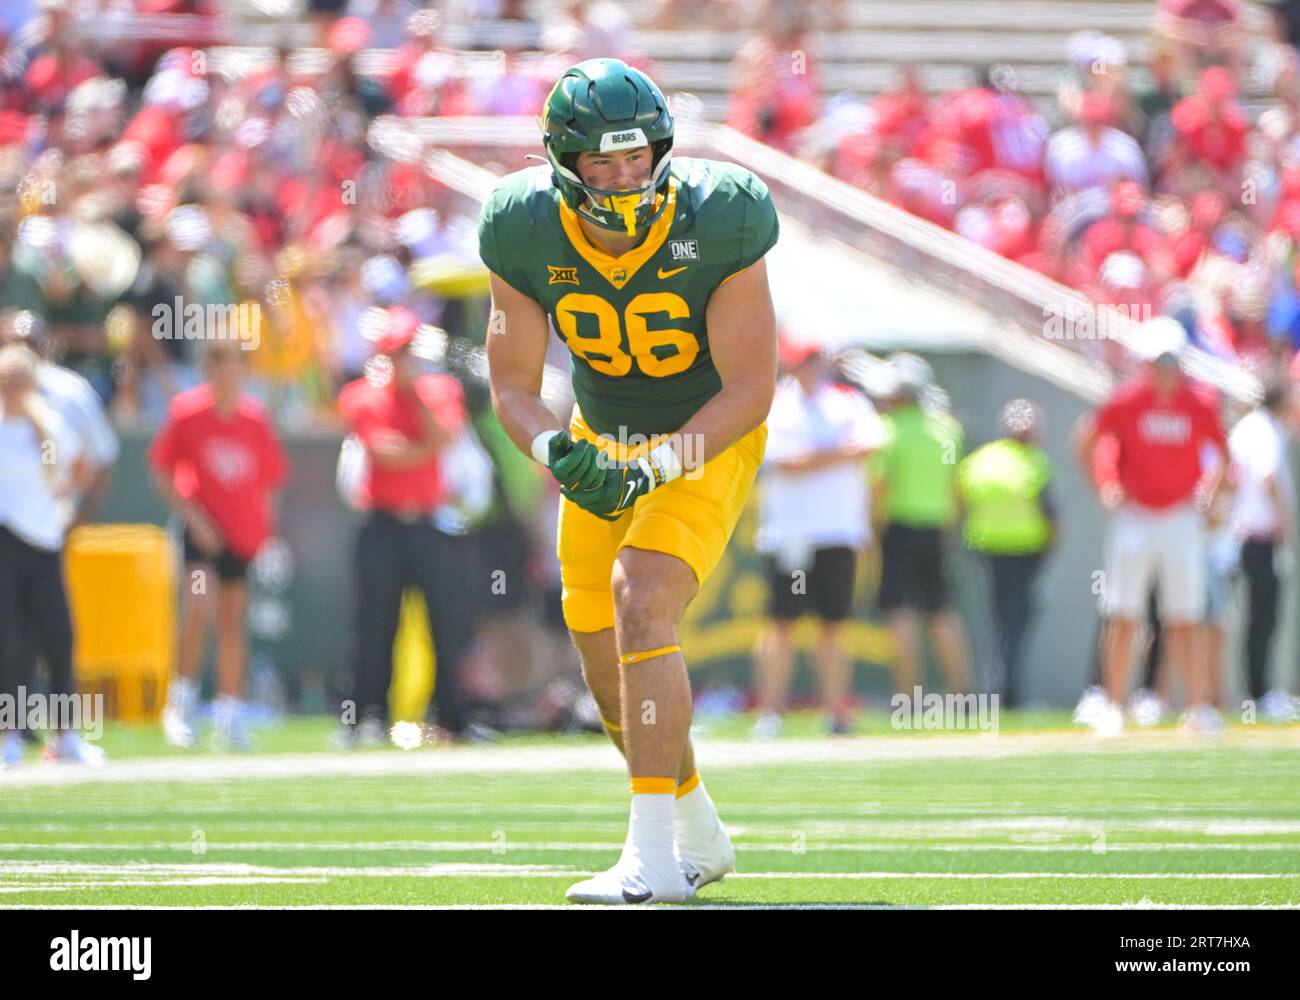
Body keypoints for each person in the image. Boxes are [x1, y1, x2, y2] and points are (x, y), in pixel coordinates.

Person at [480, 58, 779, 904]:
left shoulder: (720, 214)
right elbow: (510, 386)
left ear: (662, 149)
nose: (622, 178)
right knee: (605, 657)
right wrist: (556, 453)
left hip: (704, 437)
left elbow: (751, 387)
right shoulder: (521, 224)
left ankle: (652, 862)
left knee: (640, 596)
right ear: (562, 164)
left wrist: (653, 464)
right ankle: (696, 833)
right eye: (602, 164)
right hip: (597, 436)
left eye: (636, 157)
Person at [1073, 318, 1227, 737]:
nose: (1164, 369)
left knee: (1186, 616)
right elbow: (1085, 440)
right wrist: (1105, 487)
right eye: (1158, 361)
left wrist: (1206, 494)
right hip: (1136, 515)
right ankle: (1113, 704)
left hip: (1180, 516)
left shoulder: (1198, 404)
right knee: (1123, 614)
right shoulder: (1127, 401)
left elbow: (1222, 456)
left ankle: (1198, 707)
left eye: (1170, 361)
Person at [336, 307, 475, 745]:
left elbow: (443, 436)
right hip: (382, 523)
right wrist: (423, 447)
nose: (402, 360)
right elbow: (382, 452)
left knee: (446, 623)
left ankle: (451, 718)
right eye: (394, 352)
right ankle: (366, 716)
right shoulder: (361, 395)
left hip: (429, 522)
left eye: (407, 351)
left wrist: (415, 403)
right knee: (375, 624)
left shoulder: (440, 390)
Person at [149, 340, 288, 751]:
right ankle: (180, 704)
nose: (229, 371)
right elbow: (162, 470)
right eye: (220, 362)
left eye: (236, 362)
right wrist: (194, 518)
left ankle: (230, 716)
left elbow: (270, 480)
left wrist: (265, 531)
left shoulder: (255, 418)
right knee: (197, 607)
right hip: (200, 535)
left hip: (241, 537)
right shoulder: (187, 412)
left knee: (232, 623)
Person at [752, 337, 883, 737]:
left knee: (834, 625)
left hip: (837, 531)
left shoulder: (847, 400)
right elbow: (783, 461)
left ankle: (837, 713)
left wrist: (814, 456)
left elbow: (870, 445)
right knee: (781, 624)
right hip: (791, 534)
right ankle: (770, 713)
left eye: (814, 360)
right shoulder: (774, 403)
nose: (810, 368)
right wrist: (835, 454)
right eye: (802, 361)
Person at [0, 343, 102, 766]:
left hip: (42, 540)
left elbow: (81, 466)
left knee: (59, 636)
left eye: (16, 381)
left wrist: (64, 502)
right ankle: (11, 731)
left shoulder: (50, 427)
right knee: (8, 638)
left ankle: (64, 735)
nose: (10, 390)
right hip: (3, 538)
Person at [871, 356, 973, 698]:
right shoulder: (948, 429)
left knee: (900, 613)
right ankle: (962, 693)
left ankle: (909, 695)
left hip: (898, 528)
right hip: (936, 529)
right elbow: (955, 486)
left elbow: (879, 490)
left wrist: (873, 533)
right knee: (940, 611)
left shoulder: (886, 432)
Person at [958, 399, 1057, 707]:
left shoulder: (981, 460)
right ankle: (1008, 690)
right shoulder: (1035, 462)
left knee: (998, 618)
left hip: (986, 549)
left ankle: (1000, 685)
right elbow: (1052, 515)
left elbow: (960, 501)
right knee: (1017, 620)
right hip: (1027, 552)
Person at [1227, 377, 1298, 720]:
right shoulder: (1266, 430)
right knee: (1264, 616)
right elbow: (1268, 478)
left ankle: (1256, 691)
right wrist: (1285, 523)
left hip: (1242, 535)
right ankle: (1260, 692)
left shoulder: (1249, 426)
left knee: (1256, 617)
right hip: (1258, 537)